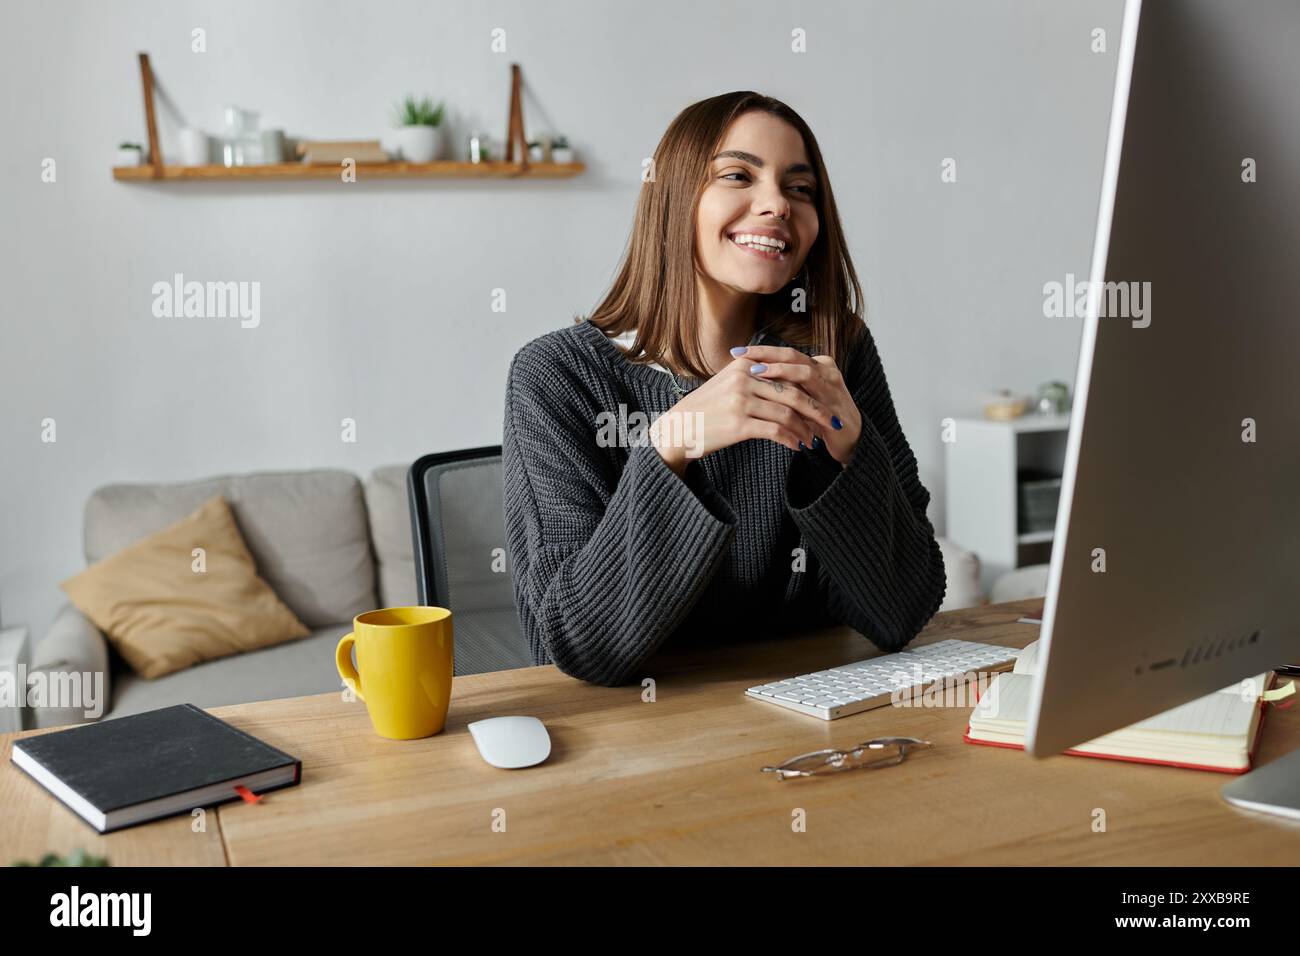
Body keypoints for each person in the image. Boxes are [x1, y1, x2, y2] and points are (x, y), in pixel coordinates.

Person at [502, 91, 946, 686]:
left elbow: (902, 614)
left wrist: (849, 455)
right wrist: (672, 447)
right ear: (675, 197)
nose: (777, 206)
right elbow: (580, 646)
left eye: (800, 188)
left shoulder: (836, 354)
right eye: (738, 175)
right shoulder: (557, 376)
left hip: (815, 714)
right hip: (644, 740)